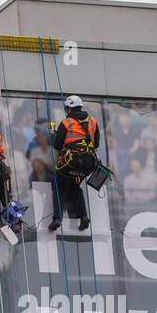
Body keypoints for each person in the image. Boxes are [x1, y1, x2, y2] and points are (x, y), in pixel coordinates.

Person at [51, 95, 100, 232]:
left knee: (60, 188)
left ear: (68, 109)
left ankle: (57, 219)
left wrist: (55, 135)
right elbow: (96, 143)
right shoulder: (93, 122)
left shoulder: (66, 123)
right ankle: (83, 216)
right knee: (75, 187)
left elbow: (57, 145)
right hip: (89, 162)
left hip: (72, 161)